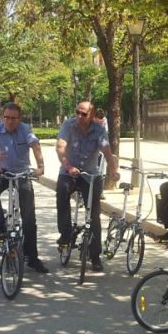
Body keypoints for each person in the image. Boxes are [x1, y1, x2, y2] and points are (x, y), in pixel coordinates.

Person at [0, 102, 49, 274]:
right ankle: (1, 226)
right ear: (2, 117)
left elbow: (35, 145)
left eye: (13, 118)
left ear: (20, 119)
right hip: (3, 172)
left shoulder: (25, 129)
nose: (10, 121)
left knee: (29, 218)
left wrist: (40, 167)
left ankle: (32, 257)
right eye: (6, 118)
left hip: (22, 173)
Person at [55, 100, 119, 272]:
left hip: (90, 174)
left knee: (94, 214)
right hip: (69, 171)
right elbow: (60, 147)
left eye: (84, 114)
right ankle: (66, 235)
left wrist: (113, 171)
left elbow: (106, 151)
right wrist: (68, 166)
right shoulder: (68, 125)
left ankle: (95, 256)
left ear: (91, 115)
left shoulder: (99, 130)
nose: (79, 116)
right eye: (77, 112)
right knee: (61, 194)